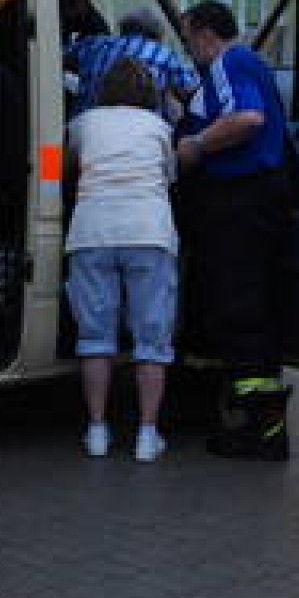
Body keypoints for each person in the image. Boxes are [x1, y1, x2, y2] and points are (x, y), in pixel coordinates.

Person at [174, 0, 296, 461]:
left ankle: (262, 428)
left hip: (241, 202)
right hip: (247, 203)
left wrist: (196, 145)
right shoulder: (224, 72)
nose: (189, 50)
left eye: (188, 40)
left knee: (240, 308)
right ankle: (225, 412)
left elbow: (248, 119)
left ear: (205, 32)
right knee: (228, 305)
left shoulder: (231, 59)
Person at [65, 57, 179, 463]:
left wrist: (46, 184)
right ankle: (147, 436)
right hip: (149, 231)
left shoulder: (84, 123)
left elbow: (54, 160)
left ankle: (97, 430)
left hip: (91, 230)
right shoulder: (159, 127)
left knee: (95, 337)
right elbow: (169, 176)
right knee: (152, 339)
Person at [64, 8, 199, 120]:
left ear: (123, 28)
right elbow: (193, 94)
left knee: (51, 148)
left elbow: (54, 60)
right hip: (143, 144)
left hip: (84, 139)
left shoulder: (92, 45)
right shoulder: (163, 55)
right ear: (157, 35)